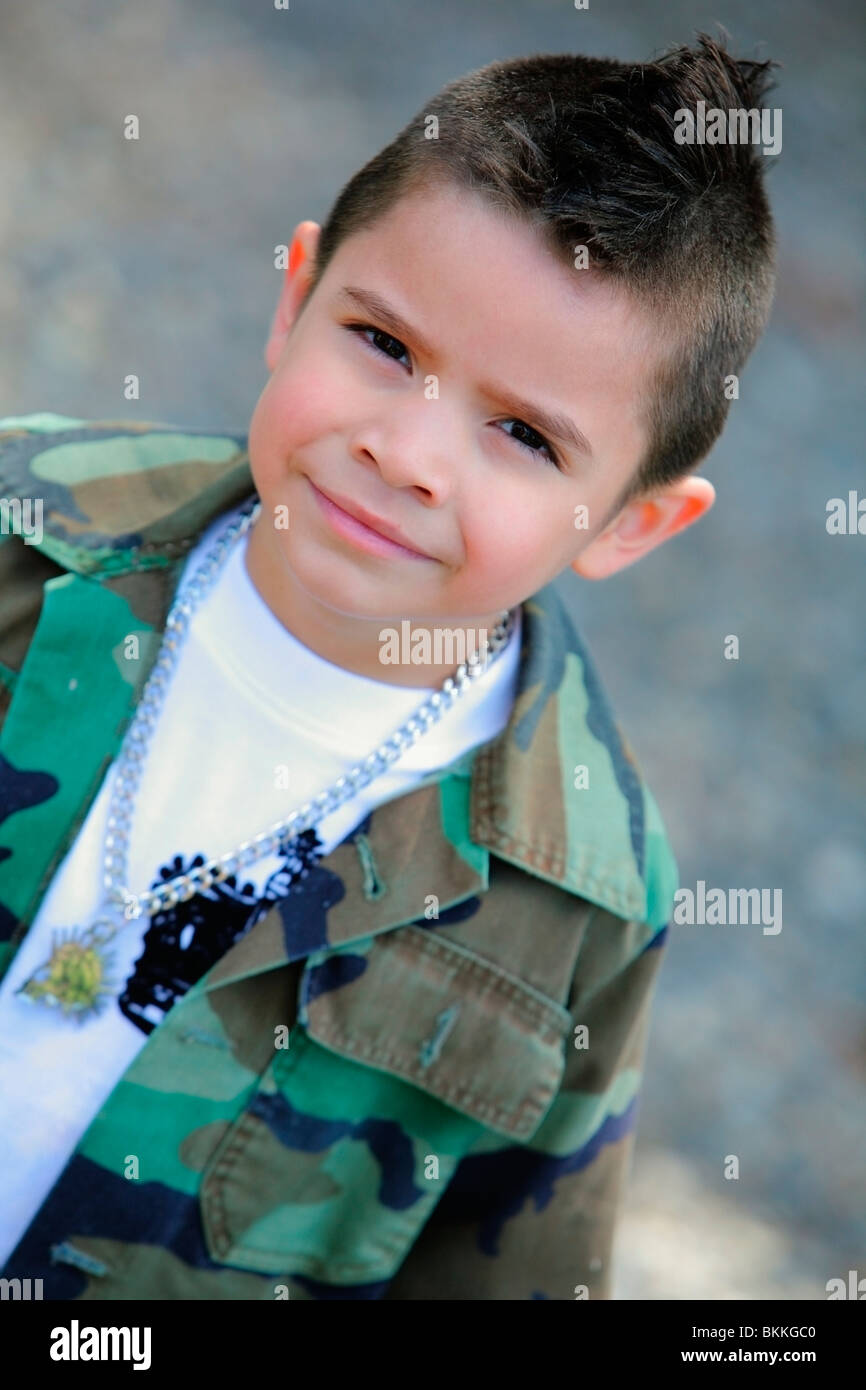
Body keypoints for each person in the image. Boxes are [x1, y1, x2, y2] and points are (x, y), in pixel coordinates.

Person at [0, 33, 776, 1300]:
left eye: (521, 433)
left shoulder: (579, 897)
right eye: (381, 344)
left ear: (631, 522)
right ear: (293, 297)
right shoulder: (17, 533)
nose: (409, 451)